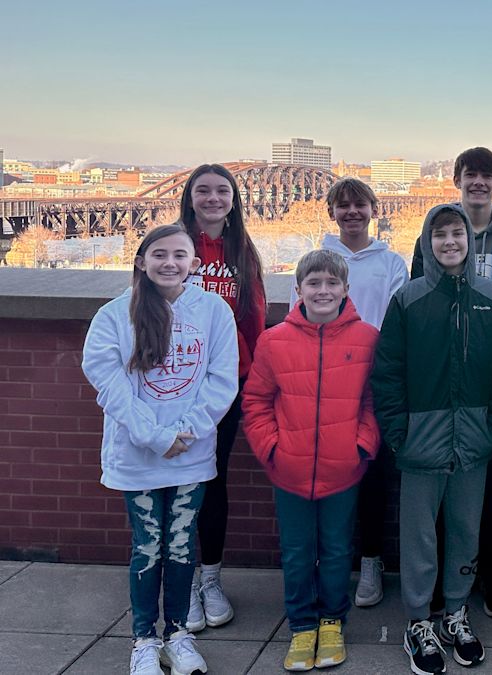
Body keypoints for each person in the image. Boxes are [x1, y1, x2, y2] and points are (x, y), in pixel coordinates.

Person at [82, 224, 238, 675]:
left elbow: (222, 379)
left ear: (194, 263)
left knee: (182, 543)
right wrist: (155, 436)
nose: (170, 263)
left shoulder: (213, 311)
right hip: (138, 456)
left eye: (179, 255)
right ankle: (144, 640)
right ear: (141, 261)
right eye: (159, 254)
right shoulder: (114, 315)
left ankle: (178, 635)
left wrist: (186, 432)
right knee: (148, 545)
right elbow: (109, 386)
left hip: (191, 453)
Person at [373, 204, 492, 675]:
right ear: (427, 243)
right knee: (418, 536)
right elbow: (388, 372)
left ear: (469, 240)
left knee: (465, 529)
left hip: (474, 438)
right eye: (440, 236)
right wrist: (399, 434)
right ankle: (419, 620)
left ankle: (456, 612)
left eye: (457, 233)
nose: (450, 242)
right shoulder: (408, 299)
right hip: (421, 440)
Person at [410, 147, 492, 618]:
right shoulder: (437, 229)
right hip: (444, 383)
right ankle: (445, 580)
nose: (479, 182)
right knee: (446, 488)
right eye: (471, 174)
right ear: (457, 180)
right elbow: (418, 298)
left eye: (487, 175)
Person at [243, 249, 381, 671]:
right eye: (314, 283)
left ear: (346, 289)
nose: (323, 290)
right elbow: (256, 402)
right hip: (290, 470)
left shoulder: (368, 339)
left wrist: (361, 448)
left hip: (343, 470)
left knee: (338, 550)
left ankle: (332, 622)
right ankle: (302, 626)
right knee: (297, 552)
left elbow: (374, 402)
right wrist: (272, 450)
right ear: (299, 289)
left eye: (332, 283)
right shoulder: (274, 341)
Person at [289, 177, 409, 608]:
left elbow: (397, 324)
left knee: (373, 476)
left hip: (373, 384)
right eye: (343, 205)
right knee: (327, 476)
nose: (352, 212)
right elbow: (298, 323)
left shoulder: (392, 263)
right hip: (325, 383)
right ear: (332, 212)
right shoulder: (315, 261)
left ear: (374, 210)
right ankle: (325, 563)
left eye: (360, 204)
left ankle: (371, 562)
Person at [179, 163, 266, 631]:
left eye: (222, 191)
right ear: (189, 197)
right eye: (203, 190)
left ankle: (210, 579)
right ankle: (182, 582)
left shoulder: (242, 251)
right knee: (177, 483)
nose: (213, 198)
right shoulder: (172, 243)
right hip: (174, 385)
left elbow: (253, 317)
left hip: (226, 385)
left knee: (213, 479)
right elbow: (143, 308)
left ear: (233, 200)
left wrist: (251, 378)